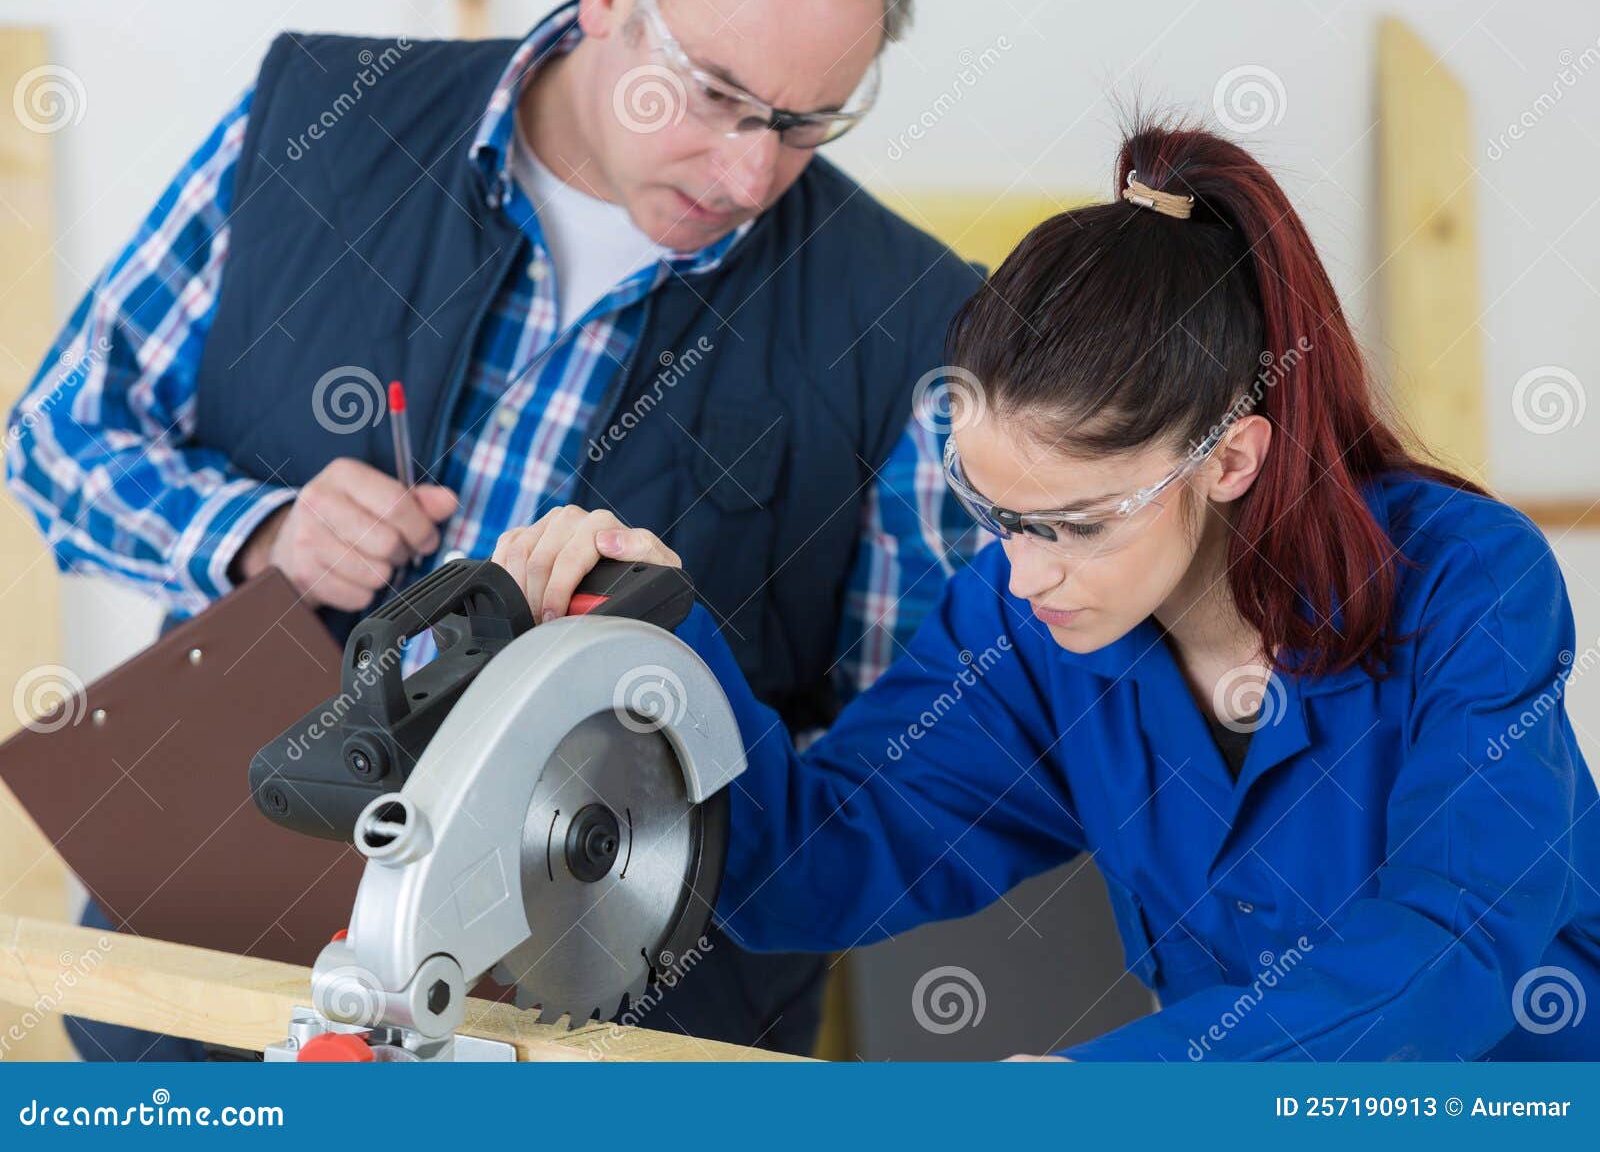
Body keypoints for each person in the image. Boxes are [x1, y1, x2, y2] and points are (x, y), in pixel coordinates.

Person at [492, 118, 1600, 1059]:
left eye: (1074, 522)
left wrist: (1105, 1088)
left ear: (1228, 459)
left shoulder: (1466, 583)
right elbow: (809, 863)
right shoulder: (1026, 620)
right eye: (997, 515)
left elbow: (1451, 939)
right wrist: (664, 646)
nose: (1024, 573)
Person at [6, 0, 984, 1059]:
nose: (748, 177)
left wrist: (662, 723)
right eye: (713, 96)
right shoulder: (318, 118)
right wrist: (259, 531)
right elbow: (55, 436)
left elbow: (901, 761)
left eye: (808, 124)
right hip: (212, 991)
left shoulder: (913, 319)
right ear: (609, 6)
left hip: (602, 1052)